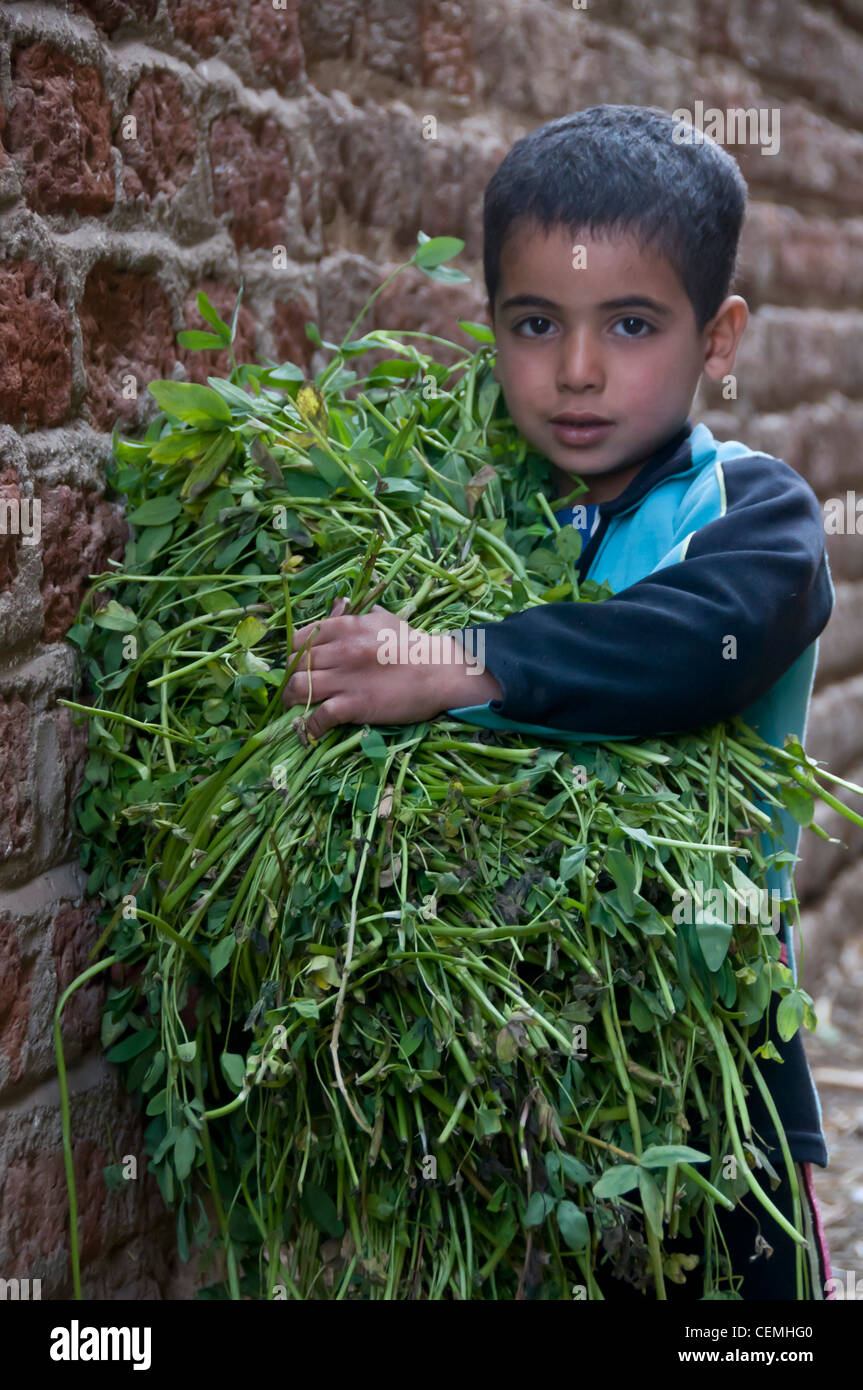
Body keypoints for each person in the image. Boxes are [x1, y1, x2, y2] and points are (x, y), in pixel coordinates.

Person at [281, 104, 835, 1300]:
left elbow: (687, 651)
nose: (576, 371)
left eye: (630, 325)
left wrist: (458, 660)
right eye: (535, 325)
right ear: (489, 331)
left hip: (707, 1058)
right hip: (486, 1076)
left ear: (717, 338)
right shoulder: (457, 504)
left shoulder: (758, 516)